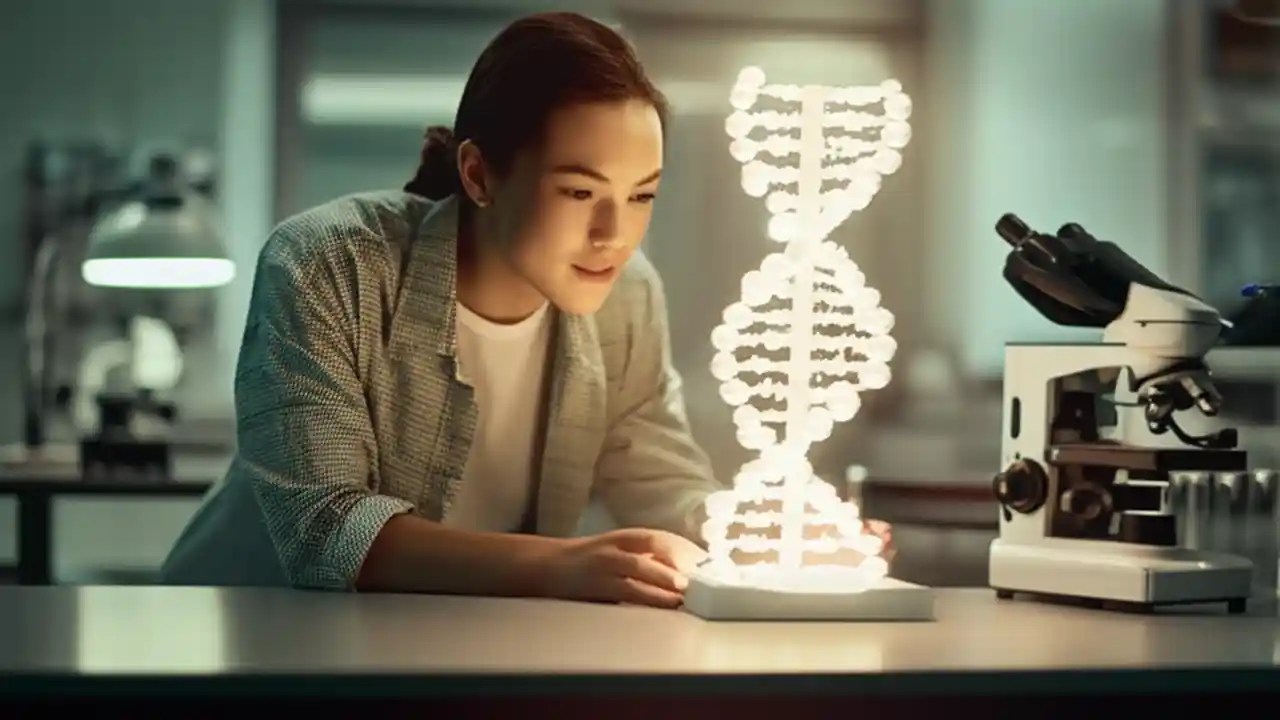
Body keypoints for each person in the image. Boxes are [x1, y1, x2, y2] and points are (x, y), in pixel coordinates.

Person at [160, 11, 889, 608]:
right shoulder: (329, 262)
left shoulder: (628, 294)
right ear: (479, 174)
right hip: (247, 629)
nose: (614, 234)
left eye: (642, 195)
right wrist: (560, 567)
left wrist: (748, 525)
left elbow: (655, 472)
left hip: (453, 642)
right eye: (579, 192)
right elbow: (324, 530)